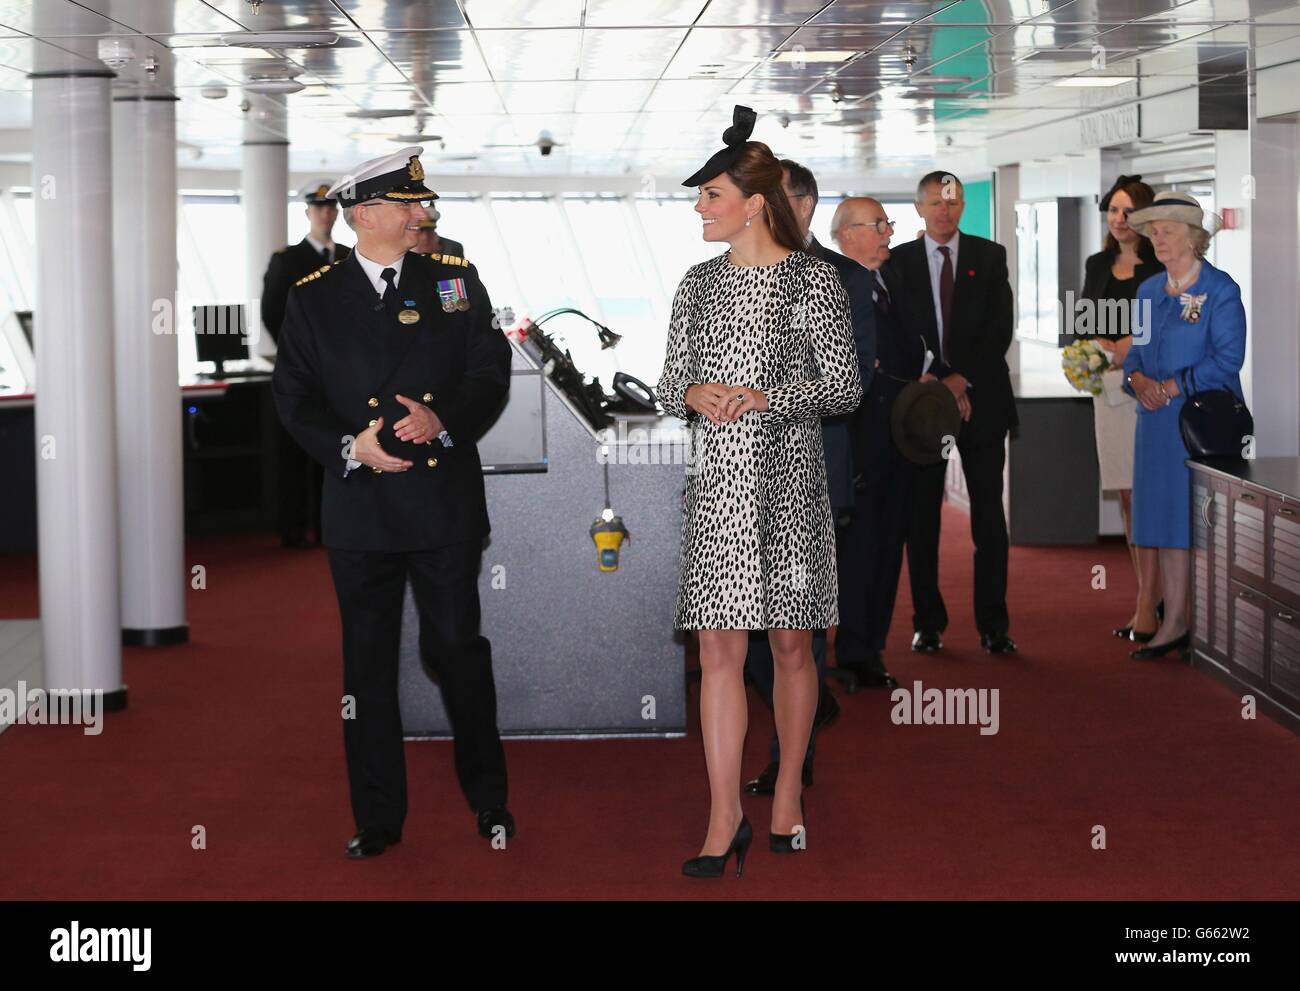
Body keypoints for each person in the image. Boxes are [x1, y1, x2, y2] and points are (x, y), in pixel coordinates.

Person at [271, 147, 515, 858]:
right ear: (364, 216)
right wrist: (352, 447)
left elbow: (487, 368)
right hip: (361, 508)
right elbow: (294, 397)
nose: (423, 216)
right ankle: (377, 816)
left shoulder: (454, 281)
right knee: (366, 666)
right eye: (409, 207)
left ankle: (489, 796)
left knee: (456, 650)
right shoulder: (313, 293)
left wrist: (443, 419)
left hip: (440, 503)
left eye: (422, 206)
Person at [657, 107, 862, 878]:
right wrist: (696, 390)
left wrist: (768, 395)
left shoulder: (814, 280)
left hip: (791, 484)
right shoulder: (697, 285)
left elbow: (844, 385)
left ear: (752, 201)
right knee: (716, 648)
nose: (701, 208)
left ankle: (786, 796)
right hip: (717, 488)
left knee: (790, 645)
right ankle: (721, 815)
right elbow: (669, 376)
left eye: (710, 194)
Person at [739, 159, 877, 799]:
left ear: (802, 205)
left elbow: (853, 385)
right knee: (754, 630)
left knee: (794, 625)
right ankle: (802, 711)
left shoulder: (843, 279)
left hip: (812, 469)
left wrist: (769, 398)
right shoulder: (735, 276)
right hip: (740, 477)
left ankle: (792, 760)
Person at [889, 171, 1017, 655]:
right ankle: (929, 622)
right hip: (923, 411)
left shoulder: (989, 257)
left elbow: (998, 329)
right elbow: (900, 336)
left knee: (989, 520)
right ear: (919, 208)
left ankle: (994, 624)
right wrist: (940, 389)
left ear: (962, 206)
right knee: (922, 522)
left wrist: (962, 381)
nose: (946, 211)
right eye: (937, 203)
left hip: (981, 403)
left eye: (954, 202)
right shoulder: (897, 263)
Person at [1122, 191, 1246, 660]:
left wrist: (1172, 386)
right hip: (1154, 425)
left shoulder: (1221, 290)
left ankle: (1211, 629)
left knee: (1199, 526)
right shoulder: (1150, 291)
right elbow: (1136, 353)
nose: (1158, 237)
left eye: (1168, 229)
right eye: (1154, 229)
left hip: (1199, 427)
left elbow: (1228, 360)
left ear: (1194, 237)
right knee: (1167, 524)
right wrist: (1138, 379)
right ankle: (1174, 622)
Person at [831, 197, 928, 680]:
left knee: (890, 545)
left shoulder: (893, 282)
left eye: (888, 224)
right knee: (860, 549)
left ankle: (871, 647)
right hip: (856, 443)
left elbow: (913, 349)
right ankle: (850, 652)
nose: (889, 232)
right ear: (847, 233)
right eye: (879, 225)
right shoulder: (831, 286)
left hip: (900, 440)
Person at [1078, 176, 1165, 642]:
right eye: (1113, 209)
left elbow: (1158, 327)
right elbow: (1084, 319)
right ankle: (1146, 596)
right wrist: (1101, 347)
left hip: (1146, 390)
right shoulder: (1097, 263)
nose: (1119, 218)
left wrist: (1125, 347)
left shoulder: (1159, 268)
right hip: (1107, 390)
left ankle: (1150, 602)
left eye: (1129, 210)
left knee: (1147, 493)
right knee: (1127, 496)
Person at [261, 183, 354, 547]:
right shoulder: (288, 260)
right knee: (295, 453)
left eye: (331, 208)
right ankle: (293, 529)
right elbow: (273, 314)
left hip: (342, 375)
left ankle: (327, 525)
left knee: (335, 450)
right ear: (308, 213)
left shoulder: (349, 256)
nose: (326, 214)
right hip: (301, 373)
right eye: (319, 208)